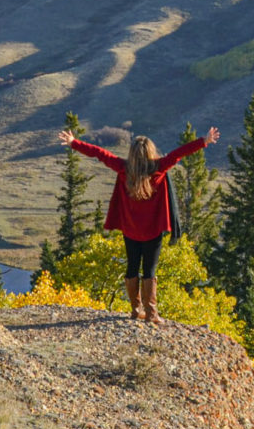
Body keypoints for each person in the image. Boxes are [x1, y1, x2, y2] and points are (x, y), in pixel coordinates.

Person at [58, 124, 221, 323]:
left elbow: (99, 154)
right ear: (151, 152)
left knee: (132, 267)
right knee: (149, 270)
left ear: (132, 154)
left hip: (130, 230)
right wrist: (203, 141)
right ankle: (151, 314)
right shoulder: (160, 167)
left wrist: (74, 143)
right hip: (152, 231)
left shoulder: (123, 168)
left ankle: (136, 310)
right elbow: (179, 153)